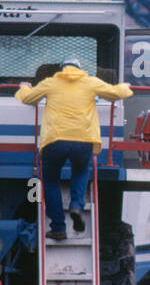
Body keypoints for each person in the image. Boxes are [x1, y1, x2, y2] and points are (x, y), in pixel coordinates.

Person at [15, 57, 132, 241]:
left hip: (56, 140)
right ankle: (77, 205)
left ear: (62, 69)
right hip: (83, 140)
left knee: (50, 181)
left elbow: (28, 99)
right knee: (80, 172)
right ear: (79, 69)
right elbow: (116, 94)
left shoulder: (51, 83)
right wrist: (125, 86)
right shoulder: (90, 82)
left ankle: (59, 228)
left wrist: (24, 87)